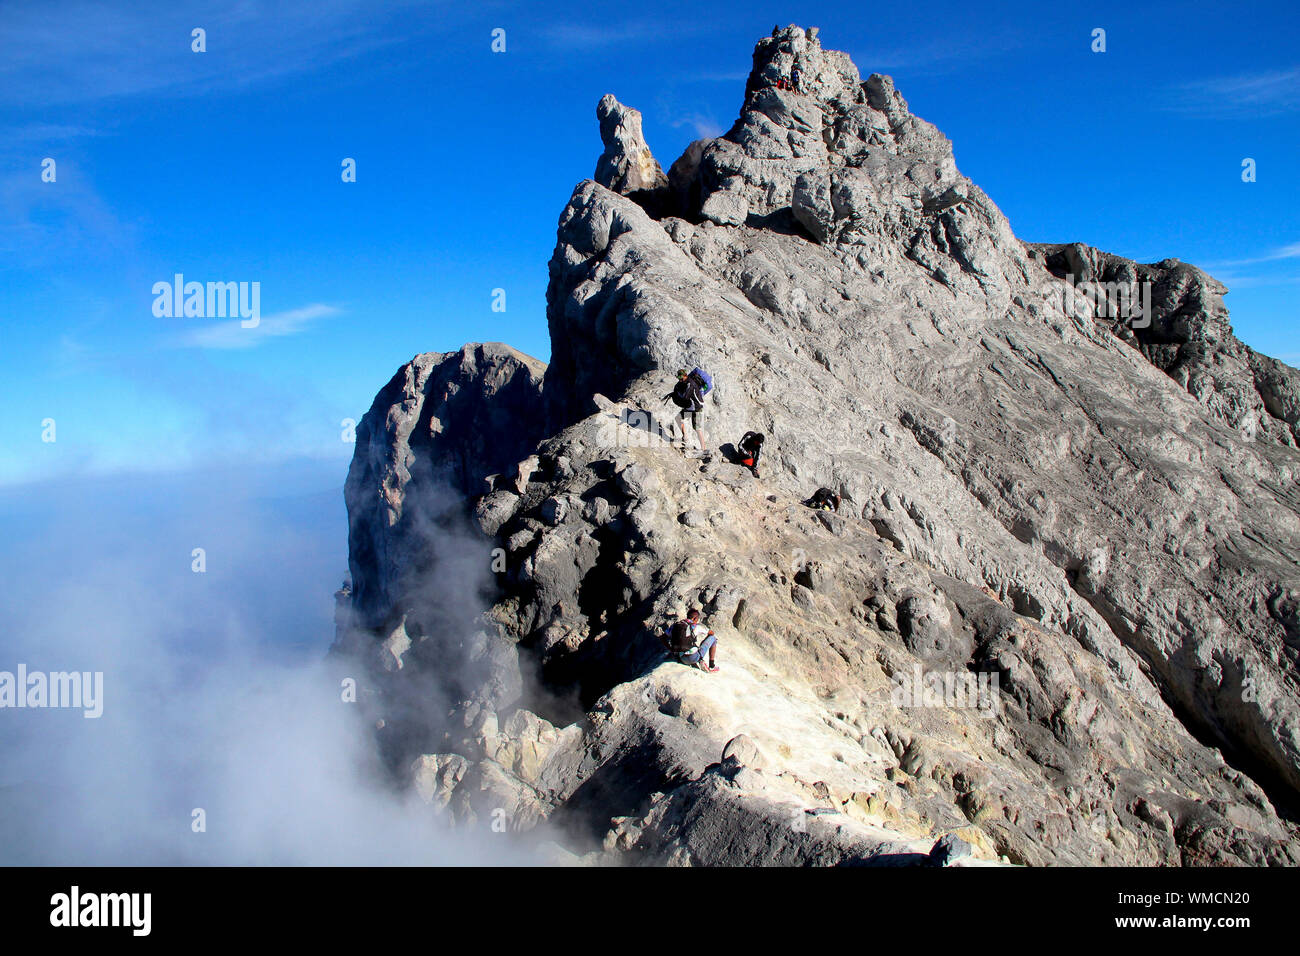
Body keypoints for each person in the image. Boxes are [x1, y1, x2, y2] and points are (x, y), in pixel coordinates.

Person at [662, 369, 708, 453]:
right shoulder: (685, 382)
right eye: (678, 377)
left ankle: (703, 448)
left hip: (696, 407)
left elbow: (685, 397)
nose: (679, 379)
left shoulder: (690, 384)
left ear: (685, 376)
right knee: (679, 419)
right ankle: (686, 438)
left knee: (696, 428)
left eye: (680, 377)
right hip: (693, 406)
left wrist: (676, 394)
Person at [662, 608, 719, 672]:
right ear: (695, 618)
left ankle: (699, 660)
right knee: (713, 638)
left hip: (681, 658)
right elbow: (712, 633)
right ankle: (711, 666)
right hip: (693, 658)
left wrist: (671, 649)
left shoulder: (676, 625)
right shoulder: (696, 626)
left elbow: (662, 638)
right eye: (697, 619)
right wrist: (704, 640)